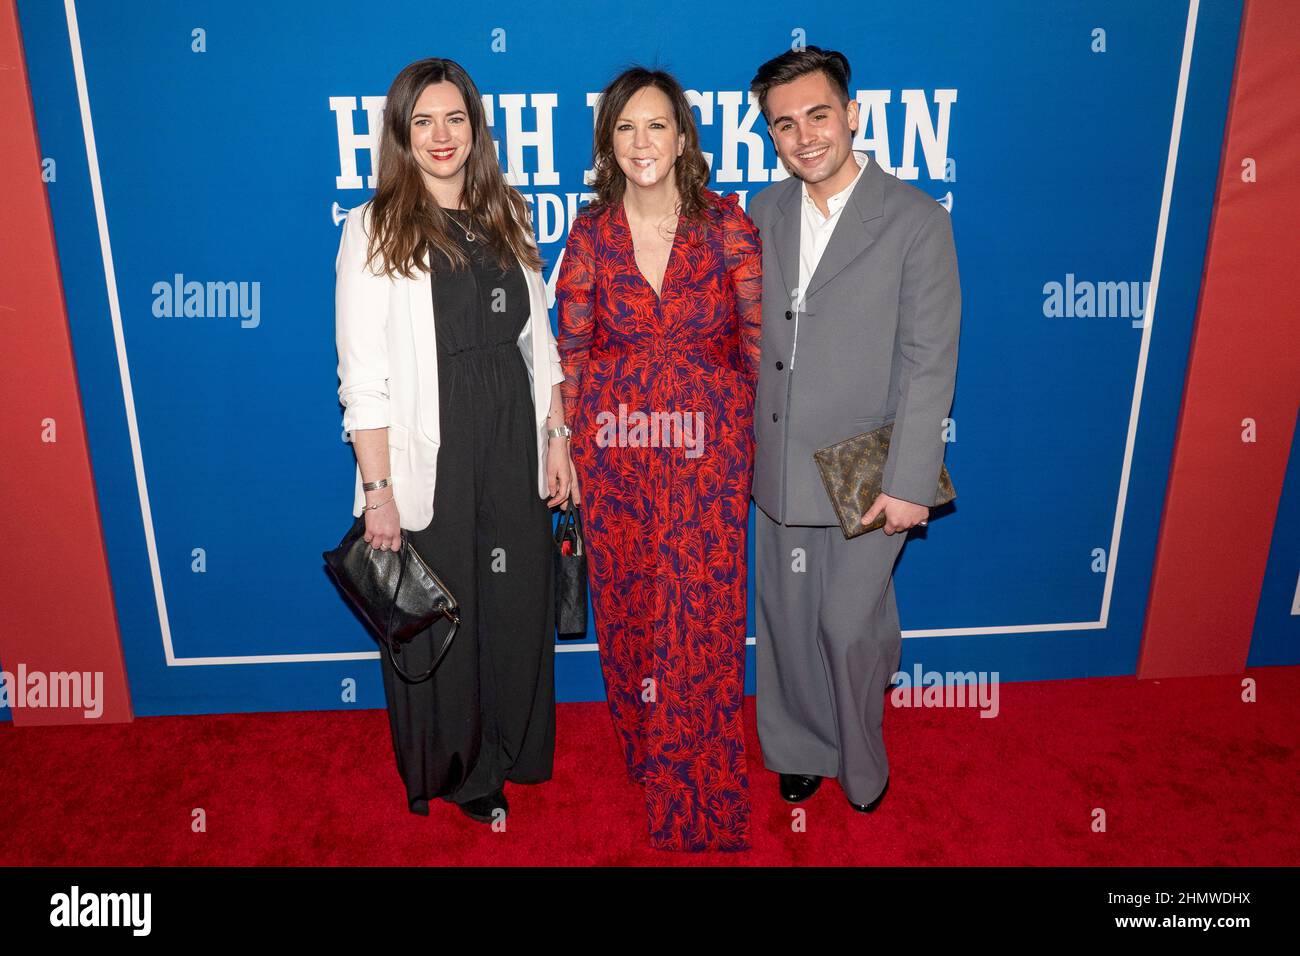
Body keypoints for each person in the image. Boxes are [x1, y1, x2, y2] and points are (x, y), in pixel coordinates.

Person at [333, 57, 574, 824]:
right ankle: (466, 772)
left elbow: (542, 340)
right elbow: (362, 378)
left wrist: (557, 437)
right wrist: (379, 492)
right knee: (450, 609)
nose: (442, 136)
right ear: (402, 134)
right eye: (424, 121)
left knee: (515, 600)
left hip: (514, 437)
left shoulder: (509, 212)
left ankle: (515, 746)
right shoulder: (373, 227)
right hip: (431, 449)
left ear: (476, 128)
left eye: (456, 118)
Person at [745, 47, 960, 813]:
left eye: (818, 115)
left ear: (853, 115)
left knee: (846, 622)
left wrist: (910, 486)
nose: (804, 136)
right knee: (790, 617)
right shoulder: (761, 211)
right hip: (778, 462)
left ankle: (860, 760)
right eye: (784, 124)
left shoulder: (914, 220)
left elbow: (930, 362)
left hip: (869, 466)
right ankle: (801, 746)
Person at [555, 67, 763, 851]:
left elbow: (759, 345)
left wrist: (756, 445)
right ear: (609, 143)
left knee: (700, 614)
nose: (643, 142)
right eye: (626, 128)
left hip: (709, 454)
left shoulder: (727, 226)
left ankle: (701, 786)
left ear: (683, 137)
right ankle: (648, 751)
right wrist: (565, 447)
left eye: (658, 126)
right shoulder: (590, 233)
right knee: (635, 607)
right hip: (616, 458)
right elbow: (571, 354)